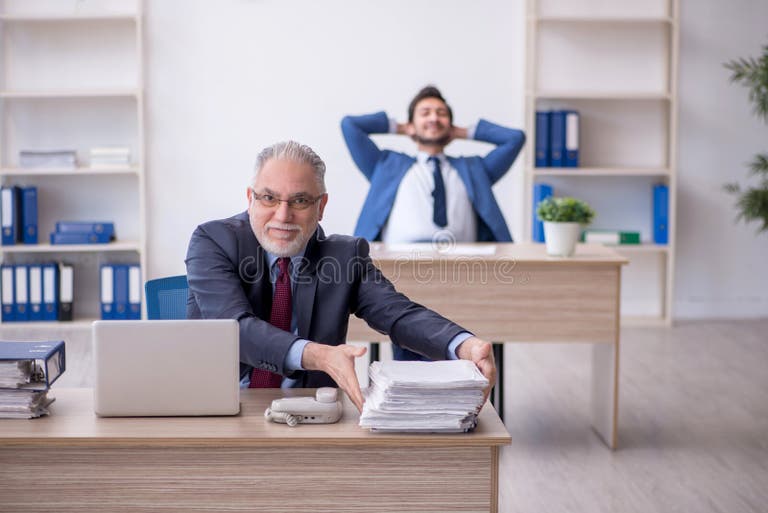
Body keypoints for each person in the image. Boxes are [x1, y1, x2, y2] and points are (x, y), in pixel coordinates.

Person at [185, 140, 496, 412]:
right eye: (269, 198)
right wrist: (317, 355)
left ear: (321, 206)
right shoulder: (213, 241)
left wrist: (463, 345)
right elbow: (233, 329)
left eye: (300, 200)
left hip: (312, 413)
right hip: (220, 408)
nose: (283, 215)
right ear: (250, 197)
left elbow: (397, 312)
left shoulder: (344, 256)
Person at [341, 85, 525, 360]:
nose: (433, 118)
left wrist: (462, 132)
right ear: (411, 124)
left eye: (441, 114)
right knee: (408, 337)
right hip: (400, 270)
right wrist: (401, 127)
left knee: (463, 338)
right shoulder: (386, 165)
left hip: (464, 271)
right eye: (425, 113)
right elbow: (350, 126)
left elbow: (515, 139)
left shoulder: (475, 169)